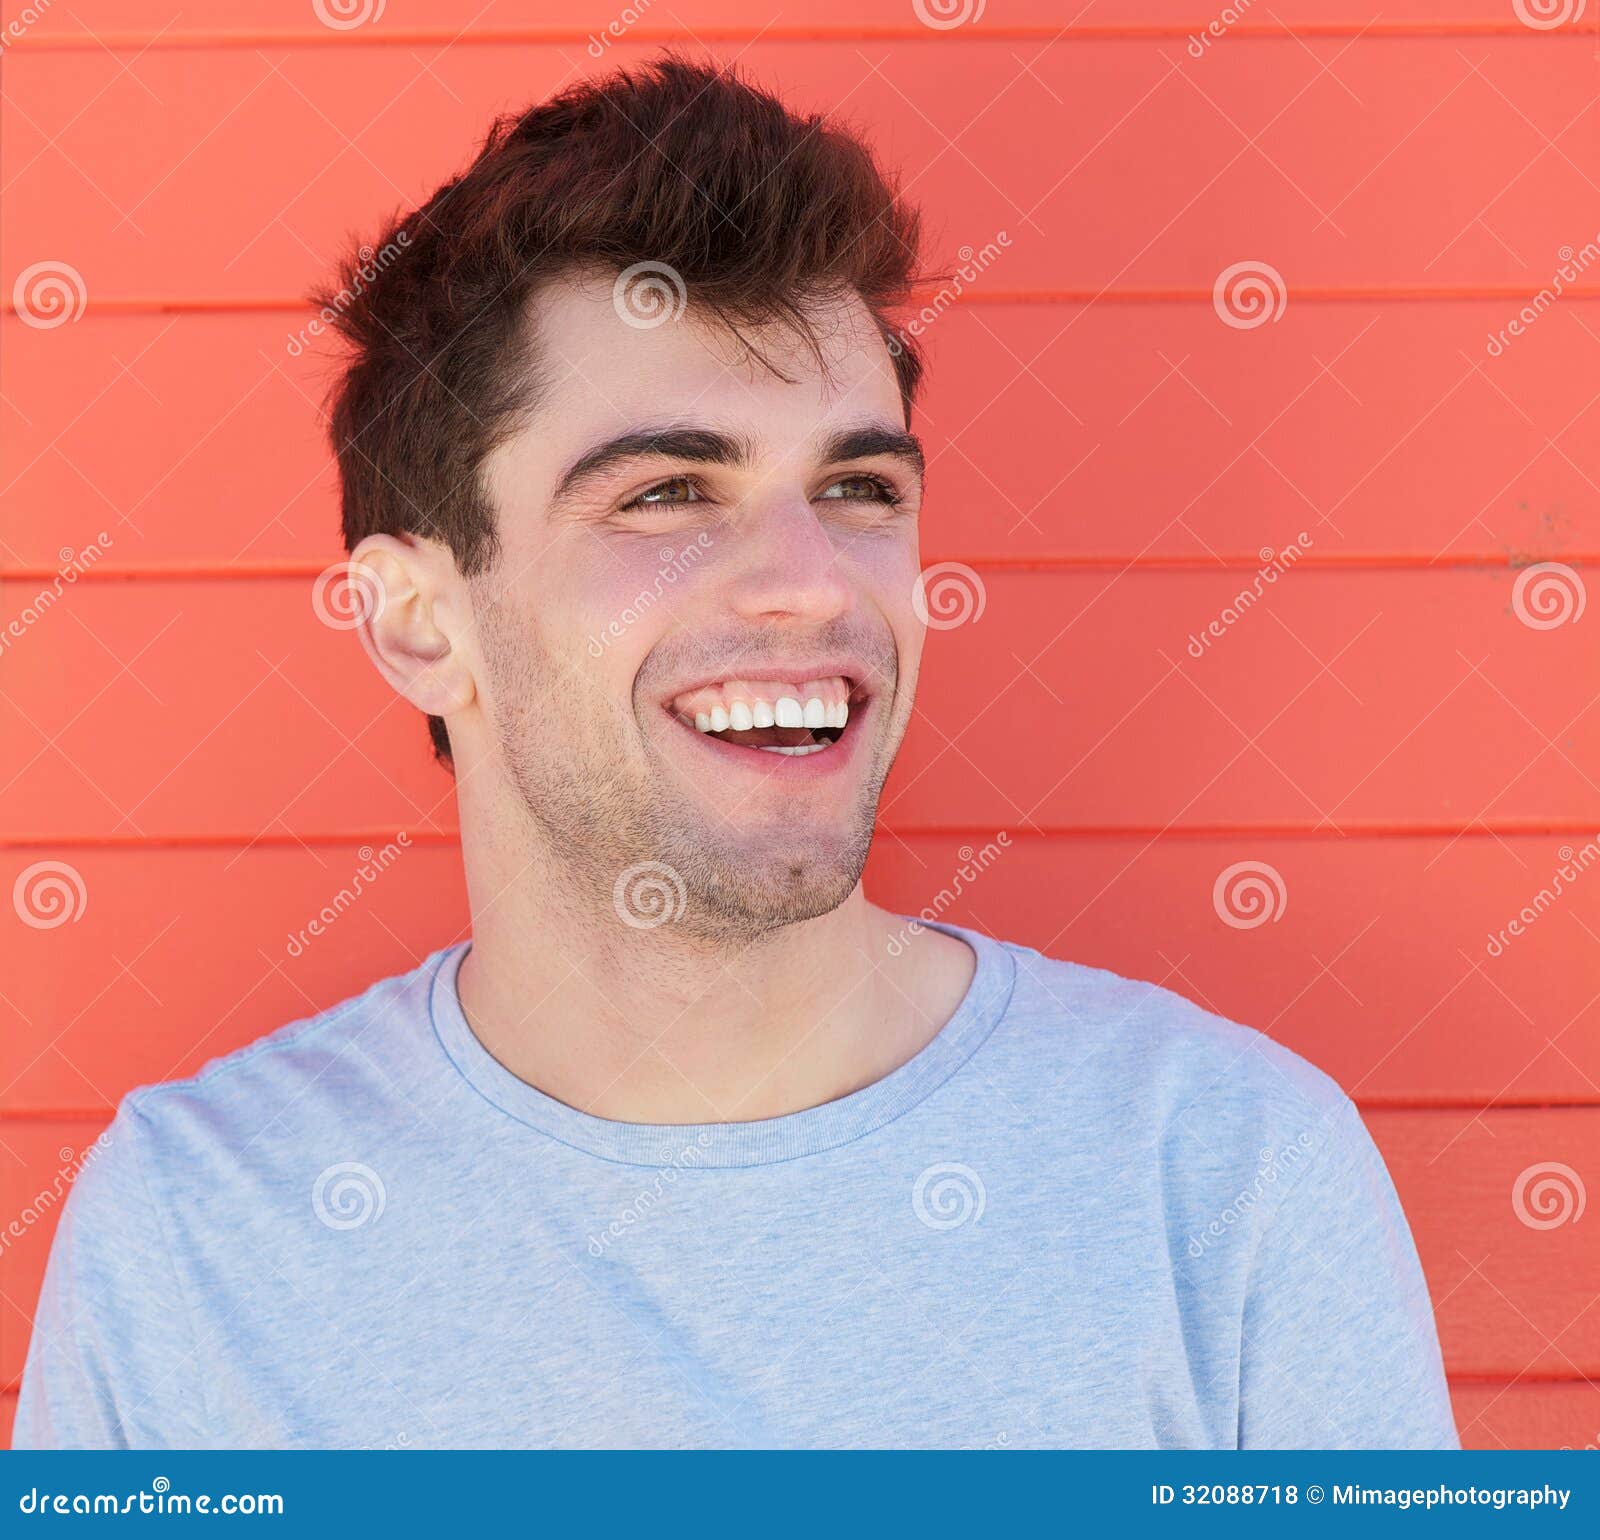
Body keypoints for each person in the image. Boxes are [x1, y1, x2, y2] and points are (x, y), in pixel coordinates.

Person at [15, 55, 1458, 1451]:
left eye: (857, 486)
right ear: (417, 622)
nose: (813, 582)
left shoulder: (1227, 1177)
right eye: (663, 493)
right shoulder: (199, 1235)